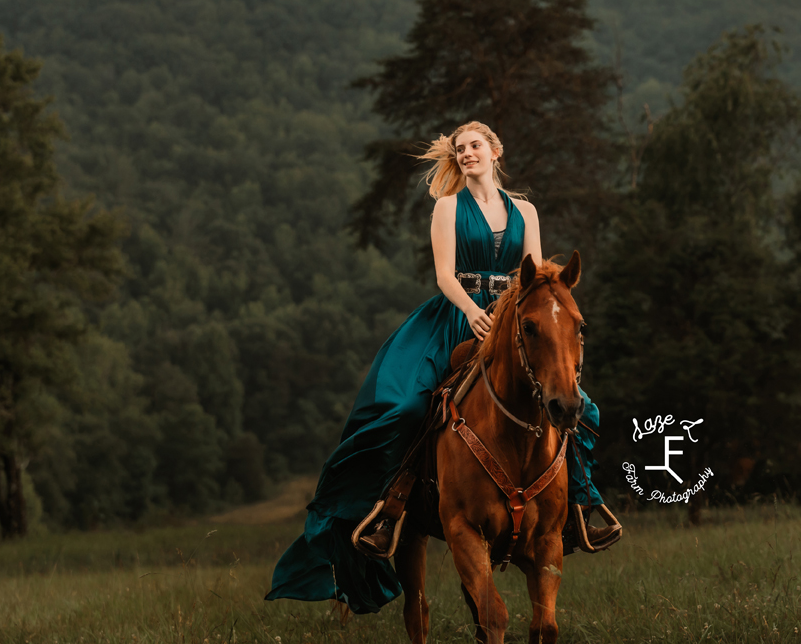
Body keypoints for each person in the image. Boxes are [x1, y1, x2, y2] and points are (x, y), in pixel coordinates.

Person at [264, 121, 620, 614]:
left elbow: (536, 275)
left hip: (516, 318)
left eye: (475, 145)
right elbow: (444, 274)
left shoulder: (526, 211)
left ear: (495, 150)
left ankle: (582, 504)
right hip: (461, 318)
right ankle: (392, 509)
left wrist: (528, 309)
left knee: (579, 407)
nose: (467, 153)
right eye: (460, 149)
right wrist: (474, 311)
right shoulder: (448, 207)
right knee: (410, 406)